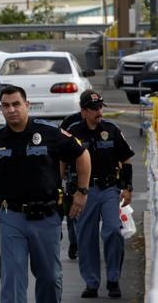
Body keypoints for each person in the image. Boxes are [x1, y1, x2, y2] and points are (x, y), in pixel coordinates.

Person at [0, 85, 90, 303]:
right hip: (11, 217)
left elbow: (82, 155)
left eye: (16, 104)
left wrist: (82, 192)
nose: (11, 109)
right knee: (12, 277)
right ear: (1, 109)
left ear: (27, 105)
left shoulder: (49, 133)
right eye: (6, 105)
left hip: (46, 216)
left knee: (50, 278)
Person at [67, 90, 134, 299]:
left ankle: (113, 279)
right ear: (84, 111)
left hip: (109, 189)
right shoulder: (73, 132)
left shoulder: (112, 130)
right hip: (84, 191)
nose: (99, 111)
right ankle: (91, 282)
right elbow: (62, 161)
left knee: (113, 230)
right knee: (86, 237)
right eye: (94, 108)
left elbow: (126, 159)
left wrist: (127, 187)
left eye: (100, 107)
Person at [59, 110, 84, 261]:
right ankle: (74, 242)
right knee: (72, 211)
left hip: (93, 174)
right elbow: (60, 148)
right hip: (72, 173)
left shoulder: (103, 125)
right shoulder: (70, 123)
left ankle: (86, 244)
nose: (98, 111)